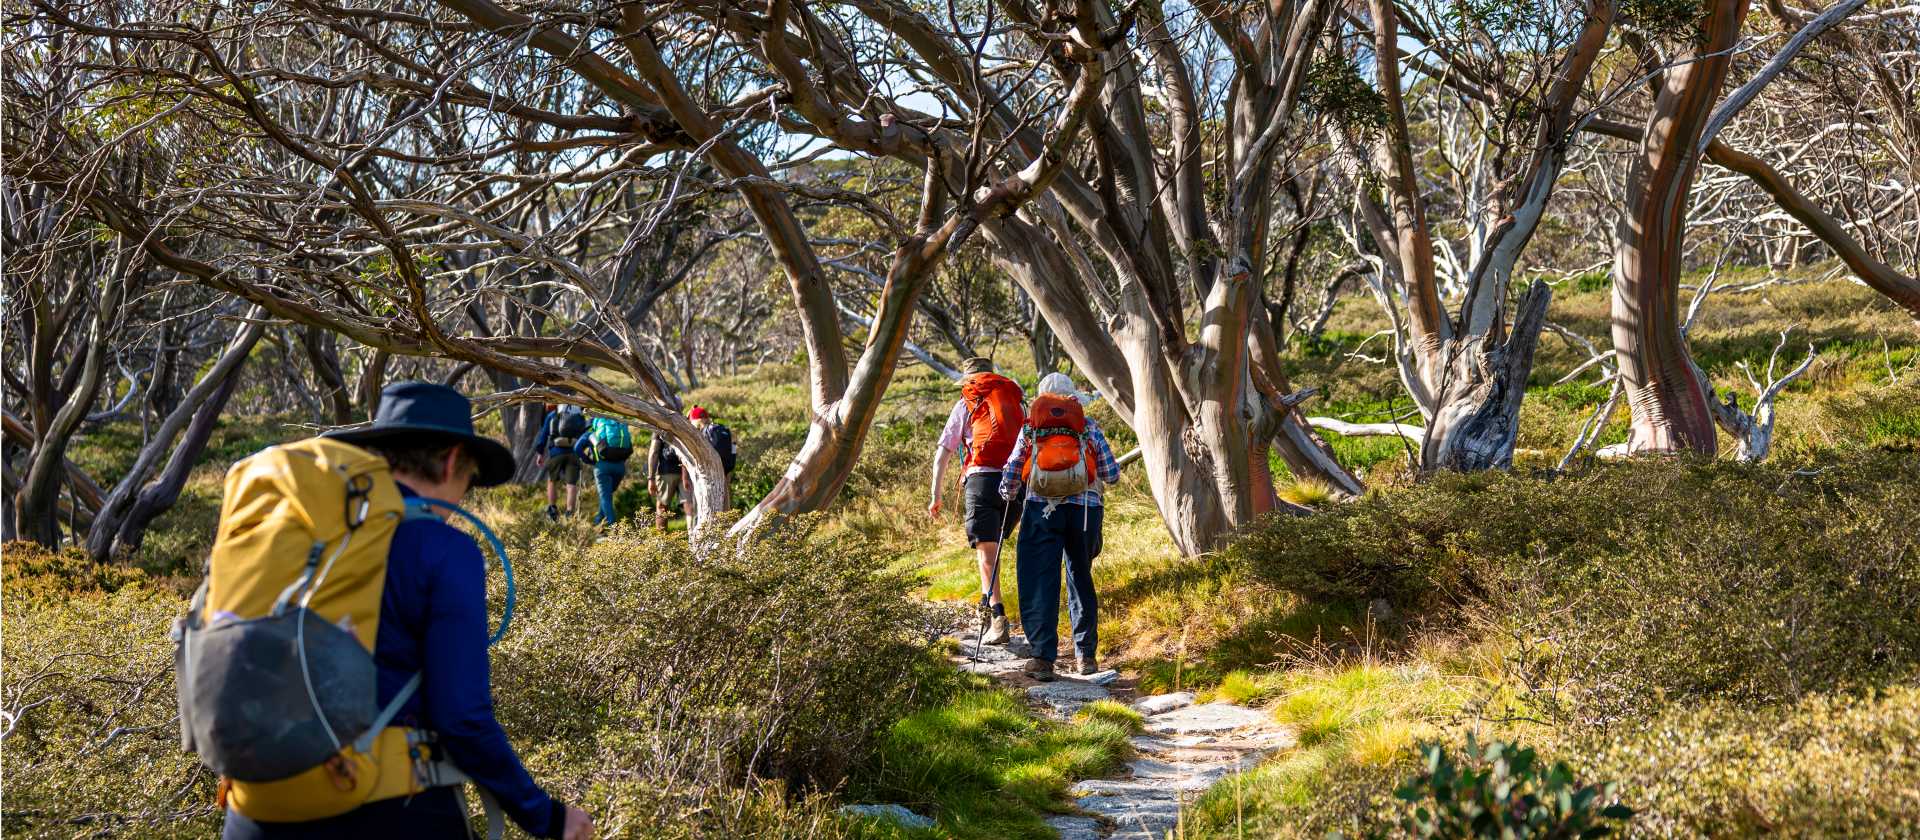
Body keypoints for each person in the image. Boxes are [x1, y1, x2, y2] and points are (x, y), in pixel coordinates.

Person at [223, 381, 594, 839]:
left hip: (252, 809)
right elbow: (463, 719)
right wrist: (547, 816)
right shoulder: (444, 549)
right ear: (453, 461)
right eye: (471, 478)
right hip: (385, 809)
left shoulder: (297, 534)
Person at [999, 372, 1121, 682]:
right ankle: (1086, 656)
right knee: (1080, 577)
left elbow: (1012, 470)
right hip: (1085, 513)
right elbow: (1111, 474)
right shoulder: (1088, 426)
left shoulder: (1032, 427)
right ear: (1073, 398)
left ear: (1041, 398)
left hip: (1041, 510)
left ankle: (1042, 659)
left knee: (1040, 579)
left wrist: (1007, 492)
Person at [929, 357, 1025, 646]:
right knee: (993, 549)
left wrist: (935, 495)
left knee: (987, 553)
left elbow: (943, 452)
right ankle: (985, 603)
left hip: (982, 481)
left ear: (970, 380)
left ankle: (998, 617)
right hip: (1015, 482)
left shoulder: (966, 403)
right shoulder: (1014, 400)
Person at [577, 414, 635, 527]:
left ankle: (613, 528)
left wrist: (589, 461)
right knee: (607, 496)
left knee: (606, 498)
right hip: (620, 467)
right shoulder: (618, 427)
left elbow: (577, 448)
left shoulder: (591, 434)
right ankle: (598, 522)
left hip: (602, 467)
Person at [533, 403, 588, 521]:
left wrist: (540, 453)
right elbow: (584, 434)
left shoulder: (553, 415)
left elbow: (544, 434)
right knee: (571, 484)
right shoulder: (579, 416)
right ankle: (570, 513)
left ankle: (552, 509)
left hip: (556, 452)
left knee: (552, 481)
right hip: (573, 453)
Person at [682, 406, 737, 524]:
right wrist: (729, 470)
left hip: (708, 476)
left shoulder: (701, 433)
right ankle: (726, 530)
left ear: (696, 421)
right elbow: (734, 447)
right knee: (725, 506)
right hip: (724, 472)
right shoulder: (722, 429)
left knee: (703, 507)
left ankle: (703, 531)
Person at [647, 429, 683, 531]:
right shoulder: (685, 423)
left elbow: (653, 453)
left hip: (666, 471)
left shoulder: (659, 427)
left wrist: (651, 478)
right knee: (688, 506)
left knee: (662, 507)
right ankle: (694, 536)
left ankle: (661, 538)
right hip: (687, 471)